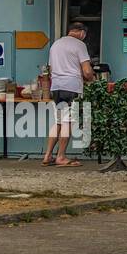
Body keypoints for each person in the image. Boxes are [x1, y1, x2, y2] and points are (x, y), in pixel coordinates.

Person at [41, 22, 95, 167]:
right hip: (71, 88)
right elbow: (87, 71)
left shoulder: (55, 45)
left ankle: (47, 155)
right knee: (68, 122)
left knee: (58, 121)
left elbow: (51, 69)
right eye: (85, 33)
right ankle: (61, 157)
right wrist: (93, 79)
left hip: (56, 87)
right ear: (81, 32)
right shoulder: (79, 45)